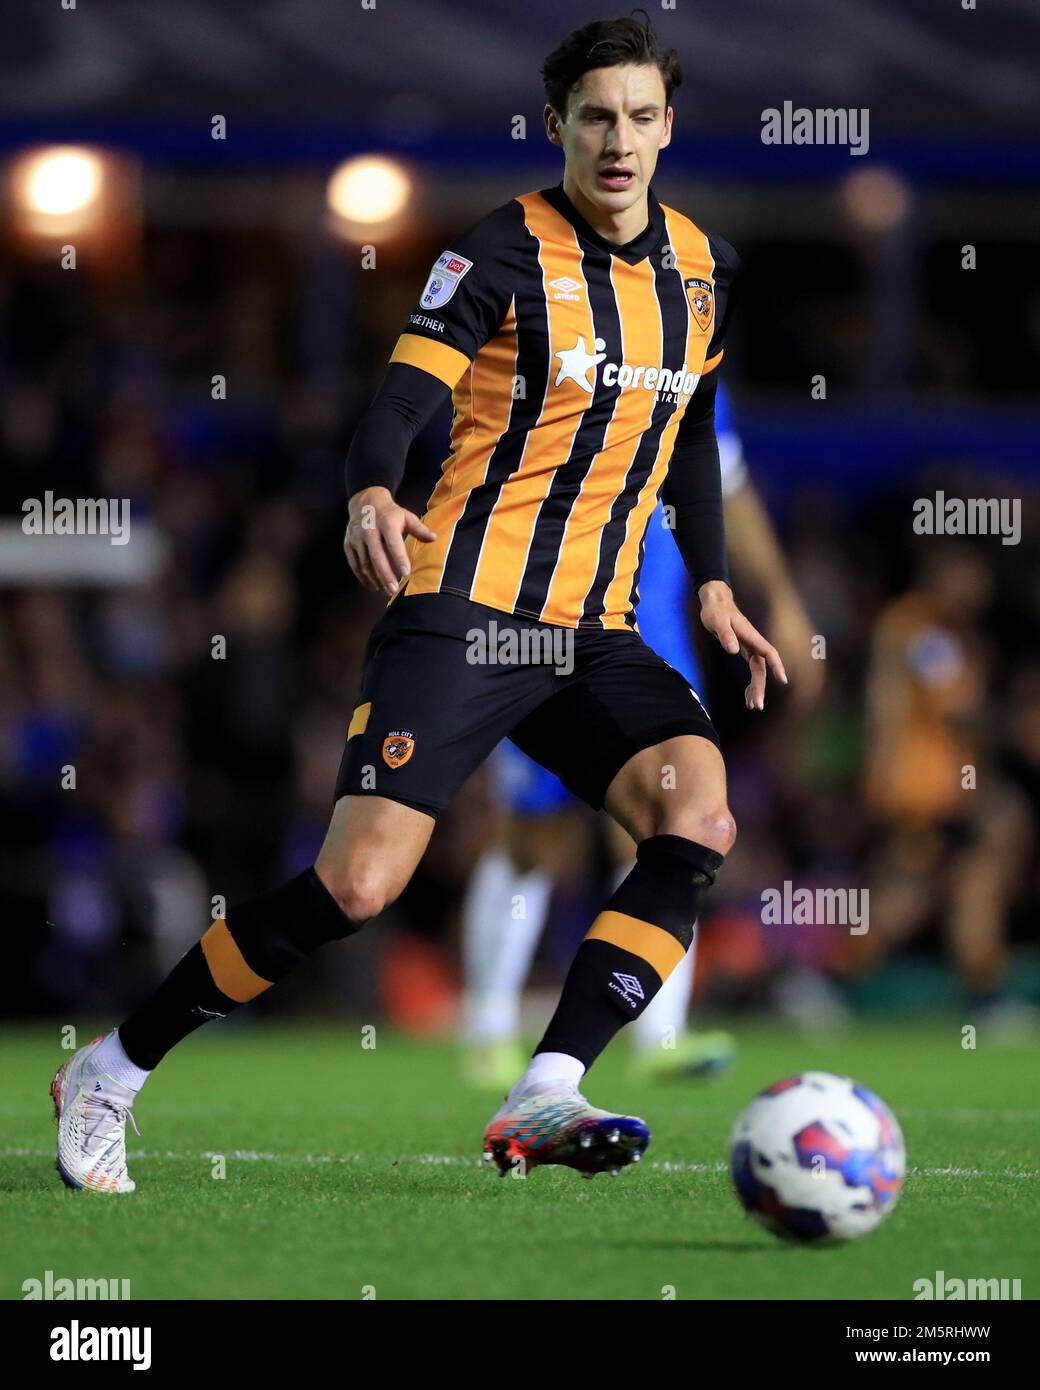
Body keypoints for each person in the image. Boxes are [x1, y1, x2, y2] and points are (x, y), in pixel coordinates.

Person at [52, 14, 785, 1193]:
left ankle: (546, 1084)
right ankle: (115, 1067)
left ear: (665, 127)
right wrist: (371, 493)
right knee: (356, 887)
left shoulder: (704, 269)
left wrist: (707, 577)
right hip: (466, 607)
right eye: (594, 116)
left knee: (694, 815)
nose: (617, 141)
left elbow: (691, 430)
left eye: (640, 117)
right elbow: (394, 403)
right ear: (555, 127)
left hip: (594, 626)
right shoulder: (497, 253)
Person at [461, 384, 820, 1088]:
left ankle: (660, 1033)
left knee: (673, 819)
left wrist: (779, 600)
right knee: (539, 838)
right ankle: (488, 1027)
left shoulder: (693, 345)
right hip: (547, 612)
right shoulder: (565, 328)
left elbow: (728, 478)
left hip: (651, 622)